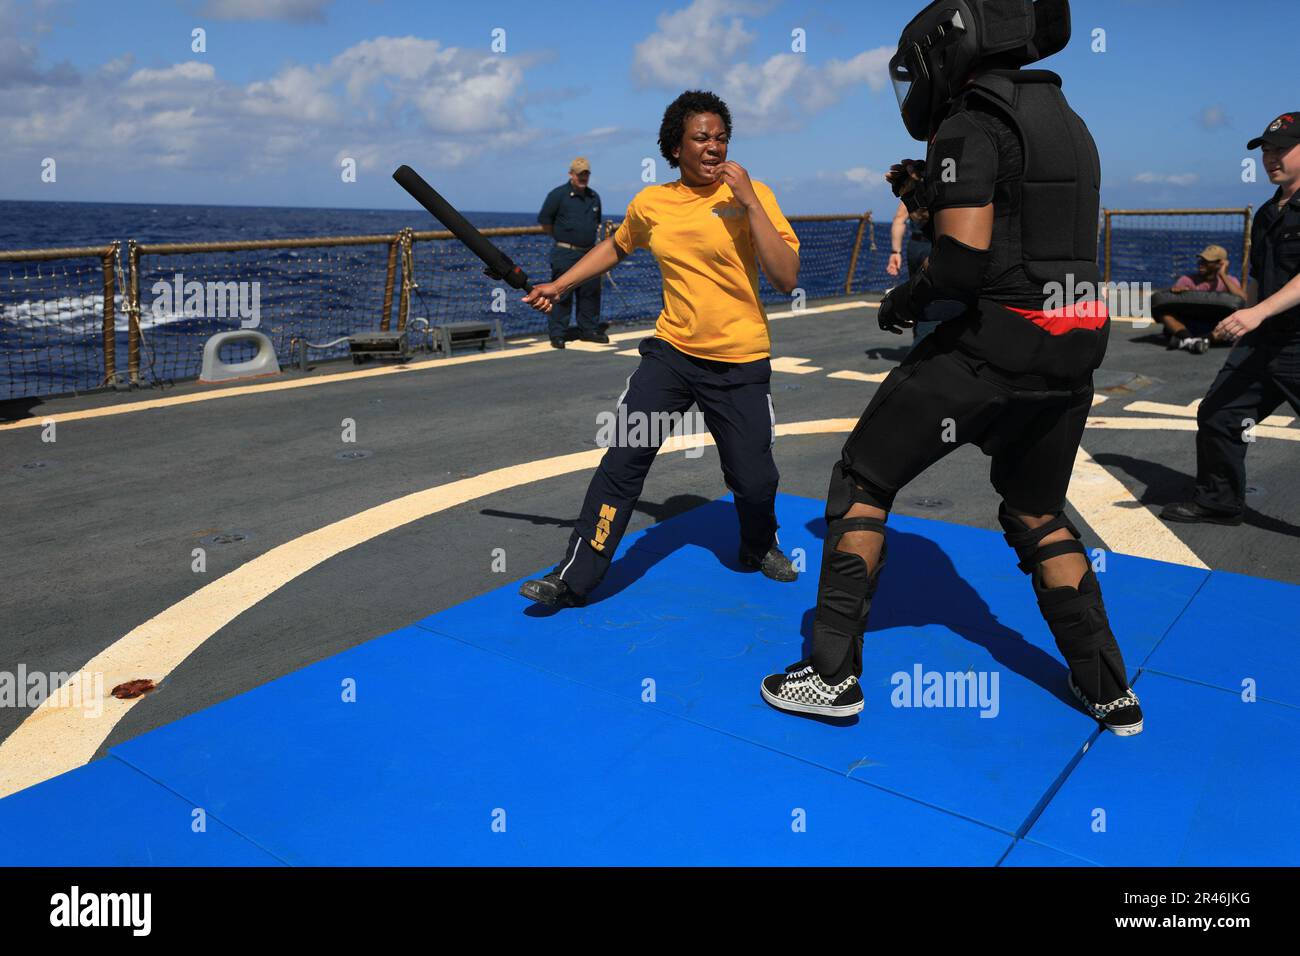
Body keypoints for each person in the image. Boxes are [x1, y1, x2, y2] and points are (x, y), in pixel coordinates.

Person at [761, 0, 1144, 736]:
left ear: (944, 47)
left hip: (990, 350)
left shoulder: (972, 120)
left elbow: (966, 260)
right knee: (1037, 513)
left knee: (863, 480)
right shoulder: (1069, 122)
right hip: (1073, 349)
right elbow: (1026, 223)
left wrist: (909, 297)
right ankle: (1109, 691)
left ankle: (829, 676)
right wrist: (927, 193)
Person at [517, 90, 803, 609]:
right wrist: (559, 287)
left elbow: (785, 277)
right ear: (675, 147)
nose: (713, 146)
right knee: (624, 457)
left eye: (721, 138)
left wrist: (751, 204)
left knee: (754, 478)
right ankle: (574, 575)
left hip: (739, 360)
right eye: (701, 138)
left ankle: (760, 543)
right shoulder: (652, 203)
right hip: (671, 355)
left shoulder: (753, 195)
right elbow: (616, 245)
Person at [1160, 111, 1300, 526]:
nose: (1272, 158)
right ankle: (1219, 502)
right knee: (1219, 413)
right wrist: (1244, 319)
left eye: (1283, 149)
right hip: (1263, 340)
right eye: (1267, 150)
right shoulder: (1267, 213)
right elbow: (1259, 274)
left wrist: (1257, 312)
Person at [537, 157, 607, 348]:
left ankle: (589, 329)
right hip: (565, 252)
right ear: (571, 174)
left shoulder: (594, 197)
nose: (583, 177)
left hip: (589, 252)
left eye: (586, 174)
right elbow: (545, 221)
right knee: (561, 293)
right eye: (580, 174)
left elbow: (597, 221)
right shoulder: (558, 195)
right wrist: (562, 238)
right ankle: (558, 333)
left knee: (590, 292)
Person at [1156, 245, 1245, 354]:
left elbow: (1243, 299)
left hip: (1214, 327)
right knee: (1165, 313)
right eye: (1201, 260)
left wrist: (1222, 274)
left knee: (1235, 322)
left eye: (1207, 261)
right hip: (1190, 324)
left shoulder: (1229, 281)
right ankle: (1191, 340)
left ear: (1219, 264)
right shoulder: (1187, 280)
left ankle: (1187, 342)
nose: (1201, 264)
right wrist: (1177, 293)